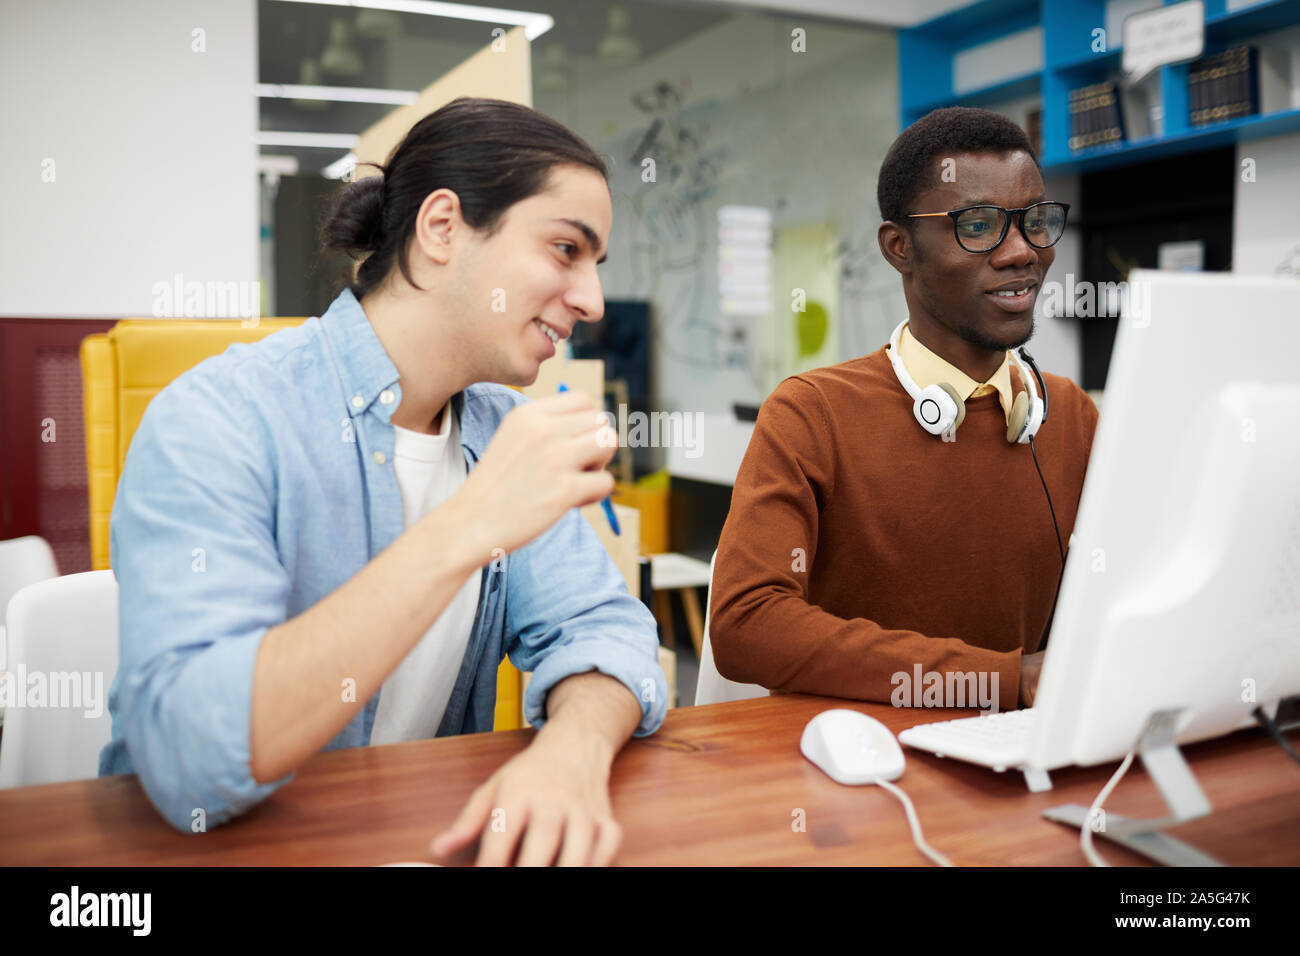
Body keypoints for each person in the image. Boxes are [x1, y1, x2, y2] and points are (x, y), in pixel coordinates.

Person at [99, 97, 667, 866]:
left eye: (595, 265)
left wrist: (567, 753)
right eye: (566, 248)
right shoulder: (218, 418)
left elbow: (606, 631)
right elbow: (191, 764)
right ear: (442, 229)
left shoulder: (502, 430)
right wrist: (465, 528)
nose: (592, 300)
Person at [708, 107, 1099, 712]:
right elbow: (746, 625)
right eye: (979, 225)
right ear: (900, 248)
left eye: (1035, 221)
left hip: (1016, 764)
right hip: (855, 769)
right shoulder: (812, 415)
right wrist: (1001, 678)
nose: (1023, 252)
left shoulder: (1069, 415)